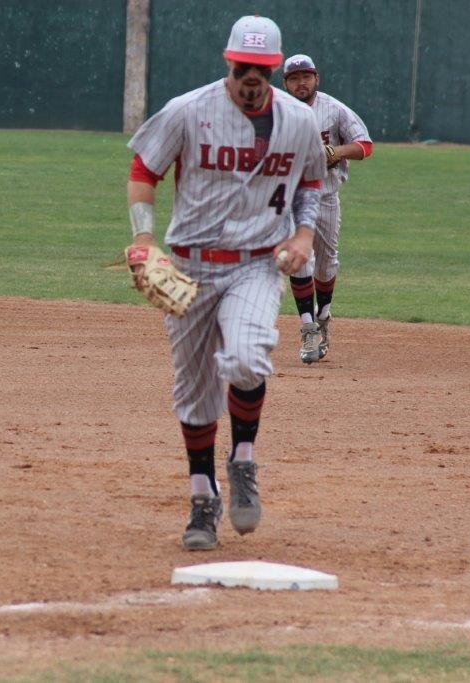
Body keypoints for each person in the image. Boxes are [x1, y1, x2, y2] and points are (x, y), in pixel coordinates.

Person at [125, 16, 326, 550]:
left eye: (261, 68)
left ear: (274, 68)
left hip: (257, 264)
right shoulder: (188, 111)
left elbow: (311, 181)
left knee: (246, 360)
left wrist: (304, 234)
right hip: (189, 266)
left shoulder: (298, 121)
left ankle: (242, 460)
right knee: (194, 391)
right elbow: (144, 170)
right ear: (228, 62)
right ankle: (202, 497)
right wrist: (143, 239)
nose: (250, 77)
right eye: (242, 67)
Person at [281, 54, 373, 363]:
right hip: (292, 199)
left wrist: (336, 151)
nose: (301, 83)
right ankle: (308, 328)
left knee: (326, 264)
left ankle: (323, 316)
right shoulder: (275, 111)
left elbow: (365, 146)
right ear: (285, 83)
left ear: (316, 78)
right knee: (300, 260)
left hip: (326, 197)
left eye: (306, 76)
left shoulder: (334, 110)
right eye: (294, 78)